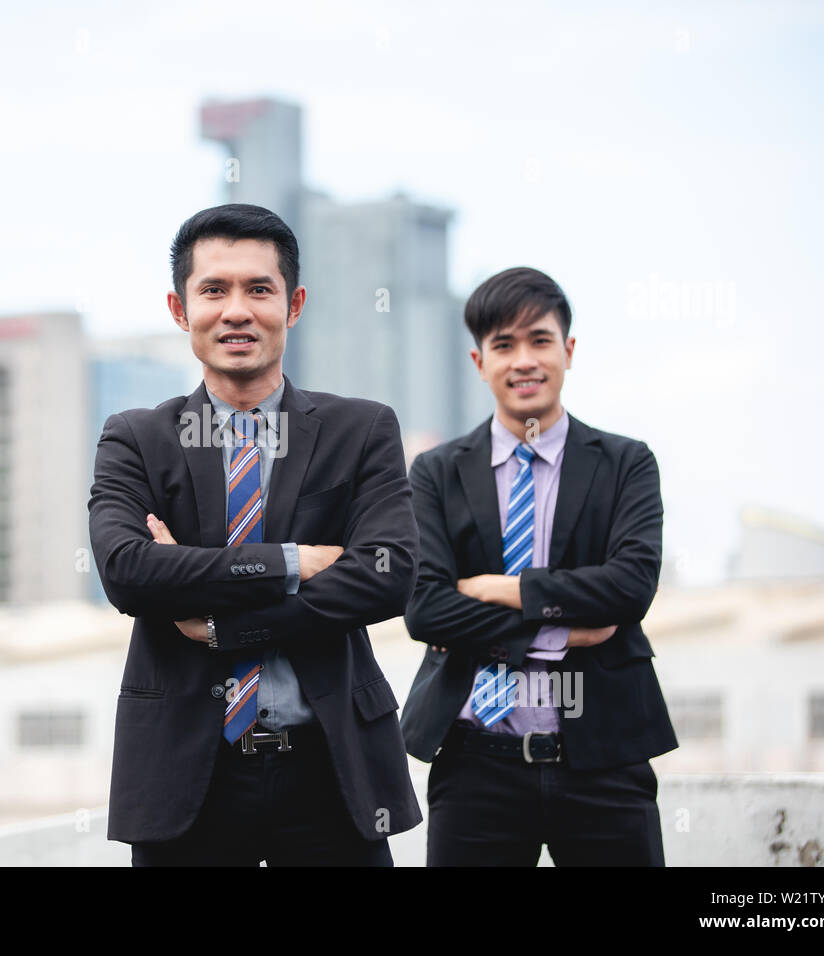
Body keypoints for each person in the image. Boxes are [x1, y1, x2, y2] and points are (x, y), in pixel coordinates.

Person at [88, 203, 421, 866]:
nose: (235, 310)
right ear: (180, 310)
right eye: (213, 290)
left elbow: (388, 573)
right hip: (186, 776)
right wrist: (295, 561)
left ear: (293, 304)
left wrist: (220, 622)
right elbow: (127, 571)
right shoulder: (137, 438)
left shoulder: (361, 430)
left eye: (258, 289)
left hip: (330, 770)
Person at [400, 266, 678, 866]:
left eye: (540, 340)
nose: (523, 359)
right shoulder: (438, 472)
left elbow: (628, 591)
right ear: (480, 362)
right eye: (504, 345)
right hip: (476, 763)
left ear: (568, 351)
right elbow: (426, 609)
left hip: (604, 755)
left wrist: (506, 589)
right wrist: (561, 627)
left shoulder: (626, 463)